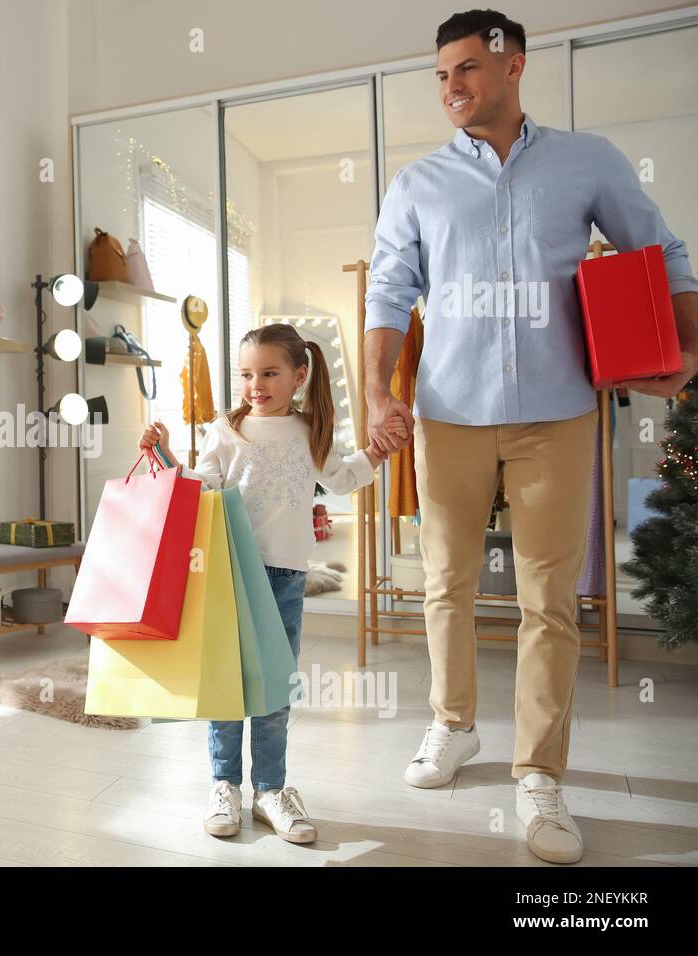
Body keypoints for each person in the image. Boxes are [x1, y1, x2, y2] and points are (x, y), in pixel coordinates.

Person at [363, 9, 698, 864]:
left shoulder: (587, 160)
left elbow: (661, 253)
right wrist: (374, 390)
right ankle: (452, 727)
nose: (452, 87)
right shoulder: (416, 184)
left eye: (468, 68)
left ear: (514, 67)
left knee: (551, 599)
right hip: (448, 412)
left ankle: (540, 775)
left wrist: (687, 348)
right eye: (441, 75)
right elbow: (387, 293)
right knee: (448, 584)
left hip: (559, 410)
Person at [140, 323, 405, 842]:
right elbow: (203, 486)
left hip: (285, 576)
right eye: (246, 374)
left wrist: (378, 452)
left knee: (273, 687)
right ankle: (225, 785)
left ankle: (270, 790)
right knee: (226, 683)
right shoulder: (226, 429)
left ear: (299, 375)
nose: (255, 384)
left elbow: (343, 477)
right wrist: (167, 455)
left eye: (268, 373)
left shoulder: (310, 431)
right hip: (228, 570)